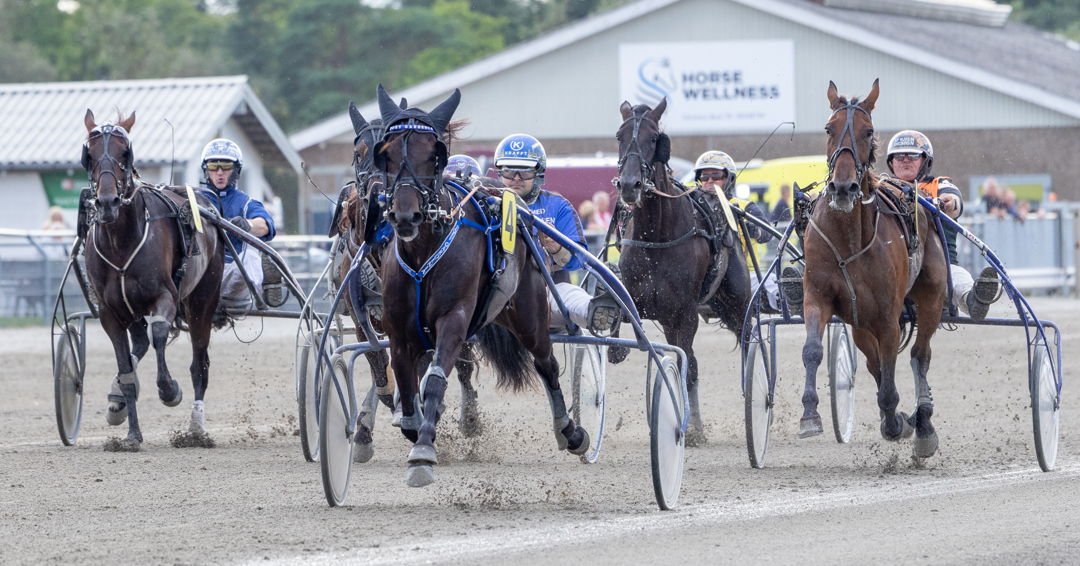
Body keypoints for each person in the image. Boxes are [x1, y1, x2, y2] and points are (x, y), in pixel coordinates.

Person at [784, 130, 1000, 320]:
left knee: (955, 280)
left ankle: (974, 299)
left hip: (937, 269)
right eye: (899, 156)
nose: (905, 160)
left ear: (925, 160)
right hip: (885, 273)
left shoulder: (938, 184)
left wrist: (948, 204)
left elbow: (954, 203)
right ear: (891, 161)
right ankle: (806, 295)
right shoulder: (881, 188)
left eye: (912, 156)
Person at [493, 134, 618, 333]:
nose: (516, 179)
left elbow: (579, 261)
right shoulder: (484, 204)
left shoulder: (557, 206)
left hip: (546, 294)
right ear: (499, 172)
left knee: (570, 296)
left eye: (524, 172)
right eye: (508, 171)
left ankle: (596, 311)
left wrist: (557, 248)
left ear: (539, 173)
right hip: (494, 297)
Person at [692, 151, 778, 309]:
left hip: (744, 276)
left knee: (771, 285)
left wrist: (756, 231)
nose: (709, 181)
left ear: (728, 179)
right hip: (702, 279)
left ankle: (780, 299)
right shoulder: (691, 208)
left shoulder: (745, 206)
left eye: (716, 176)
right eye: (704, 177)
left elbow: (768, 234)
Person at [197, 139, 277, 308]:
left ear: (235, 170)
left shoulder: (247, 203)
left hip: (232, 277)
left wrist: (247, 224)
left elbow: (266, 226)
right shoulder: (193, 200)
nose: (219, 172)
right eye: (213, 166)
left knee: (251, 254)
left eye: (225, 166)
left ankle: (256, 292)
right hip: (198, 274)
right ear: (206, 170)